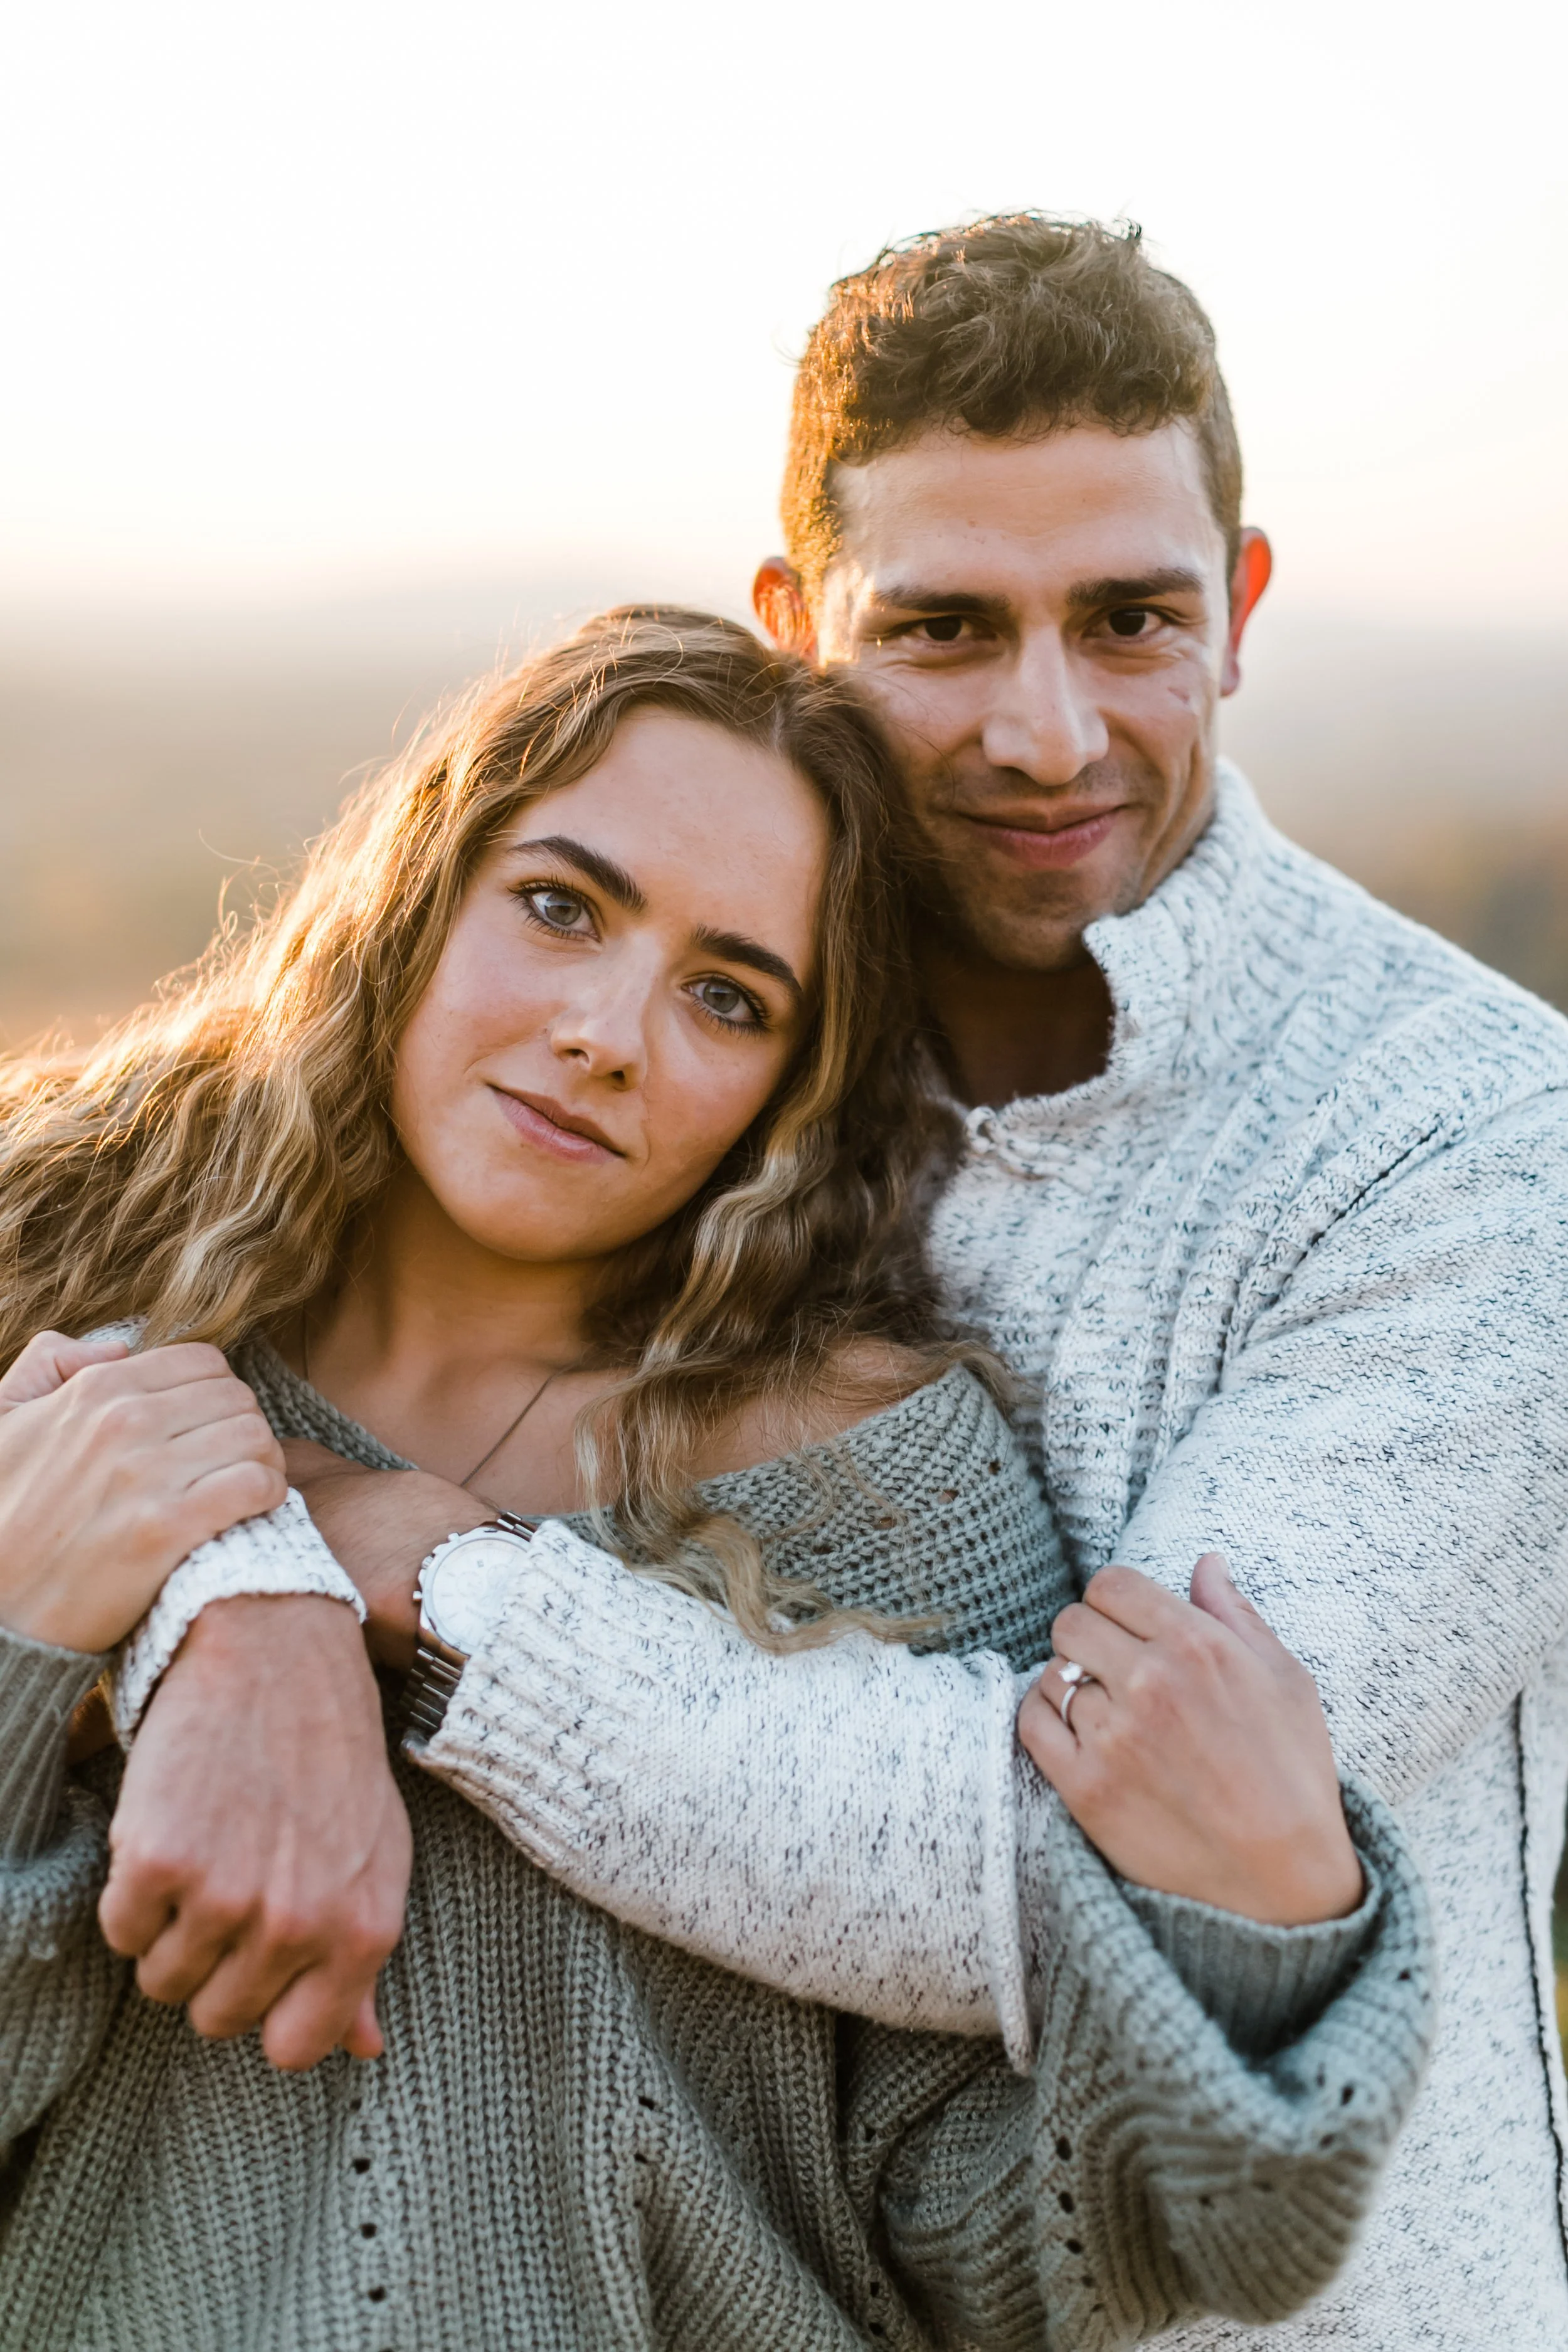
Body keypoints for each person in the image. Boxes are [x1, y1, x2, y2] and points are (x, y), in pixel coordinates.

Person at [126, 214, 1568, 2349]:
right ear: (800, 623)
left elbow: (1067, 1856)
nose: (1046, 728)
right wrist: (226, 1580)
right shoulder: (694, 1058)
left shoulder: (1473, 1140)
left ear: (1241, 610)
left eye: (1131, 619)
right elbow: (195, 1310)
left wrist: (419, 1576)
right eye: (947, 629)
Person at [0, 612, 1431, 2351]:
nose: (608, 1032)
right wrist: (144, 1613)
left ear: (792, 1089)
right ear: (417, 890)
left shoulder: (878, 1485)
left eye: (726, 994)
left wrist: (1260, 1935)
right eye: (559, 904)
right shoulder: (53, 1298)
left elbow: (978, 2235)